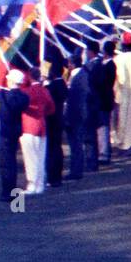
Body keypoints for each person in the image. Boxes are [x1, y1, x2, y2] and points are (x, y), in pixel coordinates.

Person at [19, 69, 54, 194]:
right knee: (40, 157)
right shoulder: (45, 90)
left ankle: (32, 184)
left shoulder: (27, 92)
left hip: (29, 126)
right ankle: (40, 184)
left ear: (29, 77)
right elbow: (51, 107)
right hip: (42, 126)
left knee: (30, 158)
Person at [0, 71, 30, 199]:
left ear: (11, 81)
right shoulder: (23, 97)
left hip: (5, 132)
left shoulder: (4, 96)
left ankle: (7, 192)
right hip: (15, 131)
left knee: (6, 163)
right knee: (12, 162)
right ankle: (11, 190)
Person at [65, 50, 90, 180]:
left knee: (76, 144)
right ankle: (76, 170)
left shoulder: (78, 77)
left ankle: (76, 171)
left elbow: (78, 99)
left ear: (72, 64)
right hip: (77, 115)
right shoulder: (81, 75)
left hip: (76, 116)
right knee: (75, 144)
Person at [44, 57, 68, 186]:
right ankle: (57, 176)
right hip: (59, 119)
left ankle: (52, 177)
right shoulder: (62, 84)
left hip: (51, 119)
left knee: (51, 149)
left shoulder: (52, 86)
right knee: (57, 148)